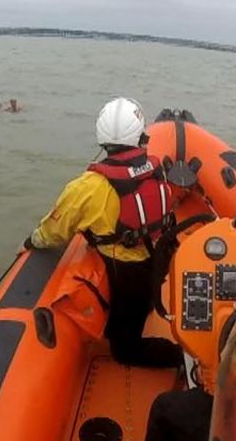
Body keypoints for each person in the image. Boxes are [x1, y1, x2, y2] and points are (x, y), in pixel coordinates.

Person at [21, 97, 182, 368]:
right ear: (140, 135)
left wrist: (31, 242)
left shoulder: (88, 187)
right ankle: (148, 307)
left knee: (124, 350)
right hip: (158, 263)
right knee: (140, 304)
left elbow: (53, 231)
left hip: (125, 276)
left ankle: (183, 357)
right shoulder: (157, 170)